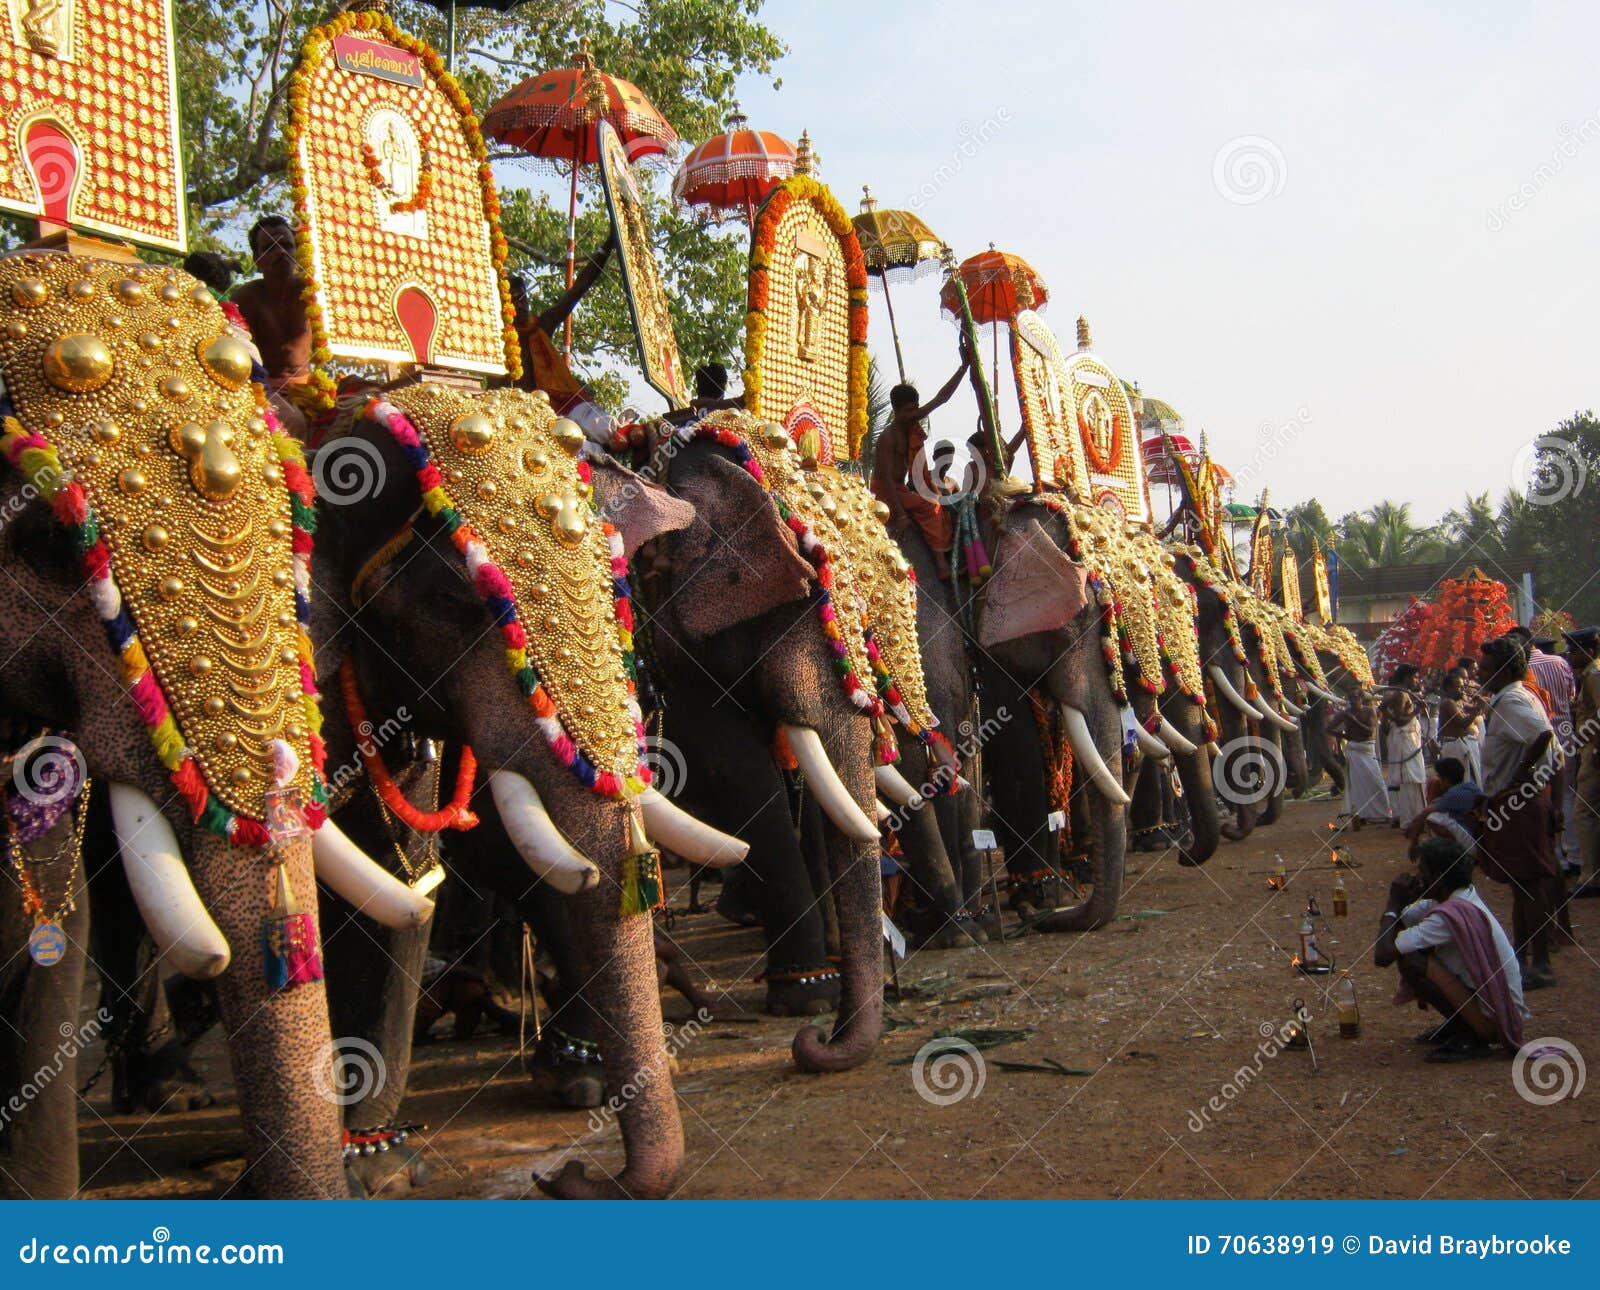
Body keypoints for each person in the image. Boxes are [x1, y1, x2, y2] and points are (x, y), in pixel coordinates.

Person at [1375, 835, 1526, 1063]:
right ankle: (1461, 1025)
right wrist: (1404, 903)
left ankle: (1470, 1037)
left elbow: (1383, 955)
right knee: (1417, 952)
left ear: (1439, 880)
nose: (1418, 878)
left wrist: (1393, 902)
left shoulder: (1447, 917)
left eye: (1424, 873)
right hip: (1497, 1008)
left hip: (1497, 1020)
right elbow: (1400, 923)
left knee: (1412, 962)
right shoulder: (1456, 897)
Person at [1476, 633, 1560, 988]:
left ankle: (1539, 963)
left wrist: (1518, 779)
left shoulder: (1511, 701)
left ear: (1503, 670)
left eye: (1485, 669)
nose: (1480, 674)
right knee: (1522, 883)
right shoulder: (1511, 697)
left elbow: (1541, 736)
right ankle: (1524, 957)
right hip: (1517, 799)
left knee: (1528, 884)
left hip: (1520, 802)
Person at [870, 336, 974, 581]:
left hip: (903, 489)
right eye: (908, 411)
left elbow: (942, 398)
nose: (913, 414)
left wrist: (964, 367)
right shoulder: (888, 438)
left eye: (915, 409)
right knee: (931, 506)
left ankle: (950, 556)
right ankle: (941, 565)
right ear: (896, 411)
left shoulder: (912, 423)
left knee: (940, 500)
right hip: (887, 491)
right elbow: (885, 479)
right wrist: (901, 514)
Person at [513, 237, 618, 444]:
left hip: (562, 412)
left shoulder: (541, 326)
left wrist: (606, 247)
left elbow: (579, 288)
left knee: (605, 428)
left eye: (523, 298)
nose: (522, 306)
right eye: (514, 301)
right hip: (521, 423)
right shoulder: (497, 339)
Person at [231, 216, 312, 406]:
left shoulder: (312, 292)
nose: (280, 252)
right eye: (270, 248)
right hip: (263, 393)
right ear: (257, 259)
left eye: (287, 245)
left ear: (297, 252)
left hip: (309, 390)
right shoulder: (246, 298)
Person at [1527, 635, 1580, 874]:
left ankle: (1557, 855)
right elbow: (1571, 697)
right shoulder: (1560, 663)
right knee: (1568, 795)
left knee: (1545, 798)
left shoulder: (1523, 669)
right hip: (1566, 735)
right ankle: (1575, 854)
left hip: (1542, 740)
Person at [1565, 626, 1600, 896]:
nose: (1569, 656)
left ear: (1588, 651)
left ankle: (1591, 877)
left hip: (1594, 750)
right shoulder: (1590, 672)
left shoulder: (1593, 675)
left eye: (1574, 651)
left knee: (1584, 812)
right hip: (1589, 747)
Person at [1330, 690, 1391, 827]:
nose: (1352, 701)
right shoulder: (1345, 713)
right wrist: (1345, 737)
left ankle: (1383, 814)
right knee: (1357, 787)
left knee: (1378, 783)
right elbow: (1329, 728)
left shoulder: (1370, 712)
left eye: (1355, 698)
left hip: (1368, 750)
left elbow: (1369, 731)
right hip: (1354, 752)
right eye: (1350, 698)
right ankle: (1361, 815)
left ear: (1361, 698)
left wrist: (1354, 720)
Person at [1404, 755, 1481, 856]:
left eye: (1439, 777)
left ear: (1445, 779)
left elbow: (1425, 813)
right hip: (1481, 839)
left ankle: (1460, 853)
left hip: (1474, 844)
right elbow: (1436, 802)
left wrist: (1413, 842)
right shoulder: (1469, 786)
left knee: (1433, 818)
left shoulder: (1453, 794)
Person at [1380, 665, 1428, 828]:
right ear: (1406, 677)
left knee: (1412, 778)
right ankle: (1411, 819)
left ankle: (1408, 817)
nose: (1417, 680)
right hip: (1405, 740)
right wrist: (1418, 710)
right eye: (1415, 677)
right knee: (1412, 778)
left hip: (1408, 739)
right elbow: (1400, 721)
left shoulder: (1402, 694)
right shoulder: (1401, 694)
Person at [1436, 667, 1483, 786]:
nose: (1462, 689)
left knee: (1471, 780)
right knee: (1459, 783)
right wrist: (1477, 709)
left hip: (1463, 746)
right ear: (1448, 689)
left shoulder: (1459, 701)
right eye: (1458, 687)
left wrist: (1478, 703)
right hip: (1454, 748)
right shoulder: (1448, 703)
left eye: (1462, 686)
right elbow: (1462, 723)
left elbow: (1471, 708)